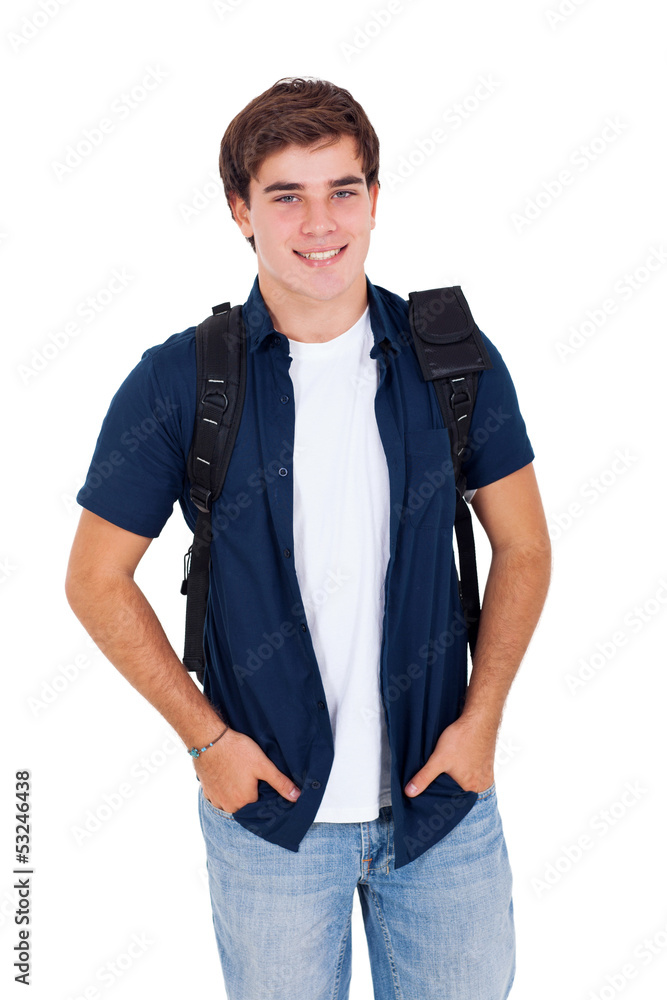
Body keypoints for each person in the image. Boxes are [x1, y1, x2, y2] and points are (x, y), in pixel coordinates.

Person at [65, 76, 551, 1000]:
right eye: (286, 195)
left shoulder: (452, 358)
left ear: (374, 199)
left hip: (440, 805)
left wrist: (481, 722)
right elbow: (94, 578)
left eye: (343, 190)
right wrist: (207, 745)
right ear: (240, 211)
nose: (319, 221)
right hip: (270, 817)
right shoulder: (180, 381)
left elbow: (522, 547)